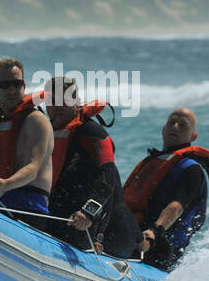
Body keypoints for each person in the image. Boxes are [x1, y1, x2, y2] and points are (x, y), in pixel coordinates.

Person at [45, 76, 140, 257]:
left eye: (63, 102)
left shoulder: (92, 132)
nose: (56, 109)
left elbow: (108, 175)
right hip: (68, 216)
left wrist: (89, 212)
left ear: (76, 102)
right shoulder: (48, 132)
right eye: (52, 102)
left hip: (111, 227)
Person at [123, 107, 209, 270]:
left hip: (160, 246)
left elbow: (177, 207)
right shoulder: (154, 161)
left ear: (193, 136)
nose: (175, 127)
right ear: (163, 129)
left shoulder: (191, 169)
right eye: (172, 122)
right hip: (133, 235)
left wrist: (154, 231)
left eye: (183, 125)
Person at [0, 57, 53, 229]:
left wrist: (6, 184)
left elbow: (33, 168)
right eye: (5, 85)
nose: (12, 90)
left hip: (28, 208)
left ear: (24, 87)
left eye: (17, 84)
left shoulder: (36, 121)